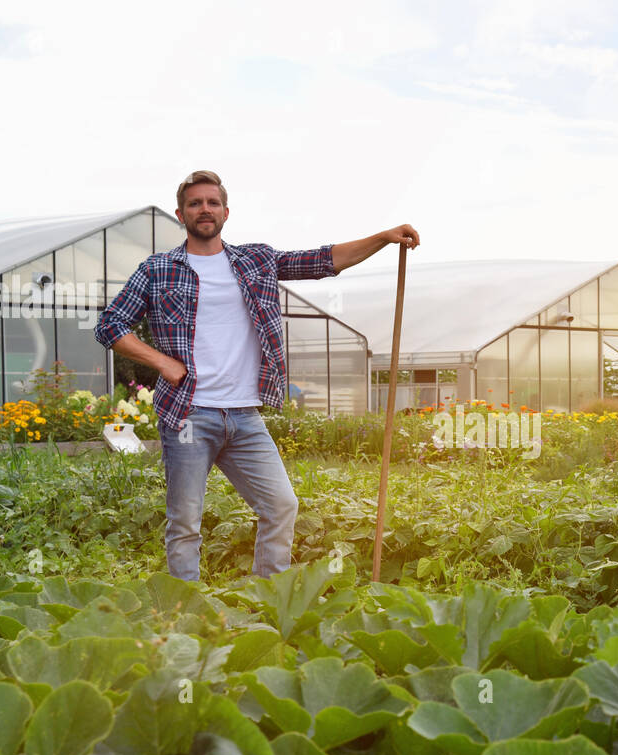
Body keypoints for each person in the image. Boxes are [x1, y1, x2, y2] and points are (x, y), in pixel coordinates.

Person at [95, 169, 419, 581]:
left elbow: (321, 260)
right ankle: (185, 615)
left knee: (281, 505)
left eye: (212, 202)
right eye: (195, 203)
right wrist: (162, 362)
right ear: (181, 214)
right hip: (189, 415)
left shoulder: (256, 260)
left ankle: (268, 600)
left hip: (245, 417)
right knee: (185, 522)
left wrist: (383, 237)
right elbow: (111, 325)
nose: (205, 209)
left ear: (226, 212)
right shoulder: (158, 269)